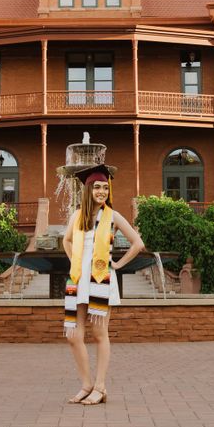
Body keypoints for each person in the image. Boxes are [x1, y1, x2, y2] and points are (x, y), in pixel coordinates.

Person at [62, 163, 145, 405]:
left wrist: (117, 265)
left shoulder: (113, 216)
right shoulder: (77, 216)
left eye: (105, 187)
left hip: (100, 278)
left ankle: (100, 386)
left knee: (99, 333)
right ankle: (86, 384)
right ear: (88, 190)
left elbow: (137, 243)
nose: (101, 191)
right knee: (73, 335)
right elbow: (66, 241)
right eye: (96, 187)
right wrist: (75, 260)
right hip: (78, 278)